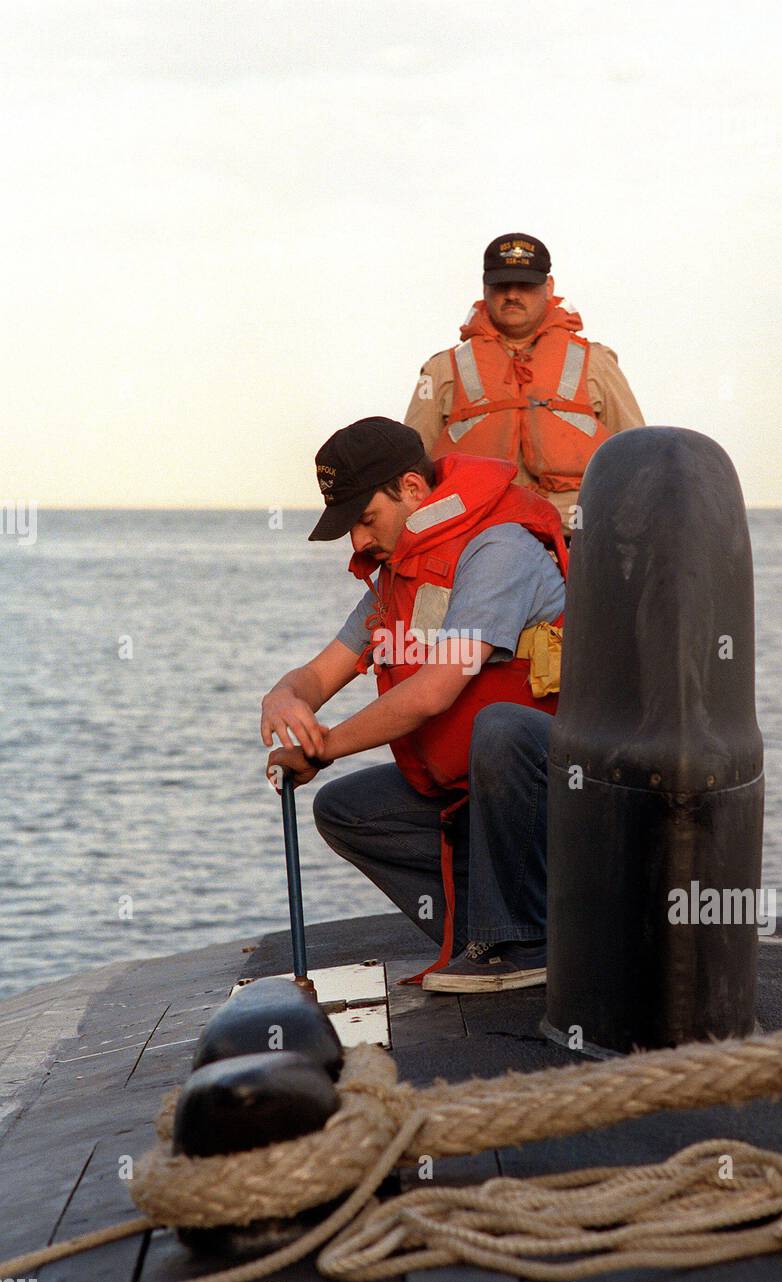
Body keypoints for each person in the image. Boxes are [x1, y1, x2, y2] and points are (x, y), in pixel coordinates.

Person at [262, 416, 566, 992]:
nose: (358, 543)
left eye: (365, 520)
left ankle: (529, 939)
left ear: (412, 490)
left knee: (499, 728)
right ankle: (481, 932)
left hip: (558, 789)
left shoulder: (497, 548)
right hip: (474, 795)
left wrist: (322, 746)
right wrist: (283, 698)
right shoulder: (397, 576)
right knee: (344, 809)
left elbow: (434, 692)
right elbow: (319, 673)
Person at [404, 233, 644, 538]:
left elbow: (637, 455)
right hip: (477, 536)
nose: (513, 295)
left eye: (525, 286)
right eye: (502, 286)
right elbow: (409, 475)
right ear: (485, 288)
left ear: (549, 287)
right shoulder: (440, 370)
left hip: (579, 534)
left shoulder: (597, 362)